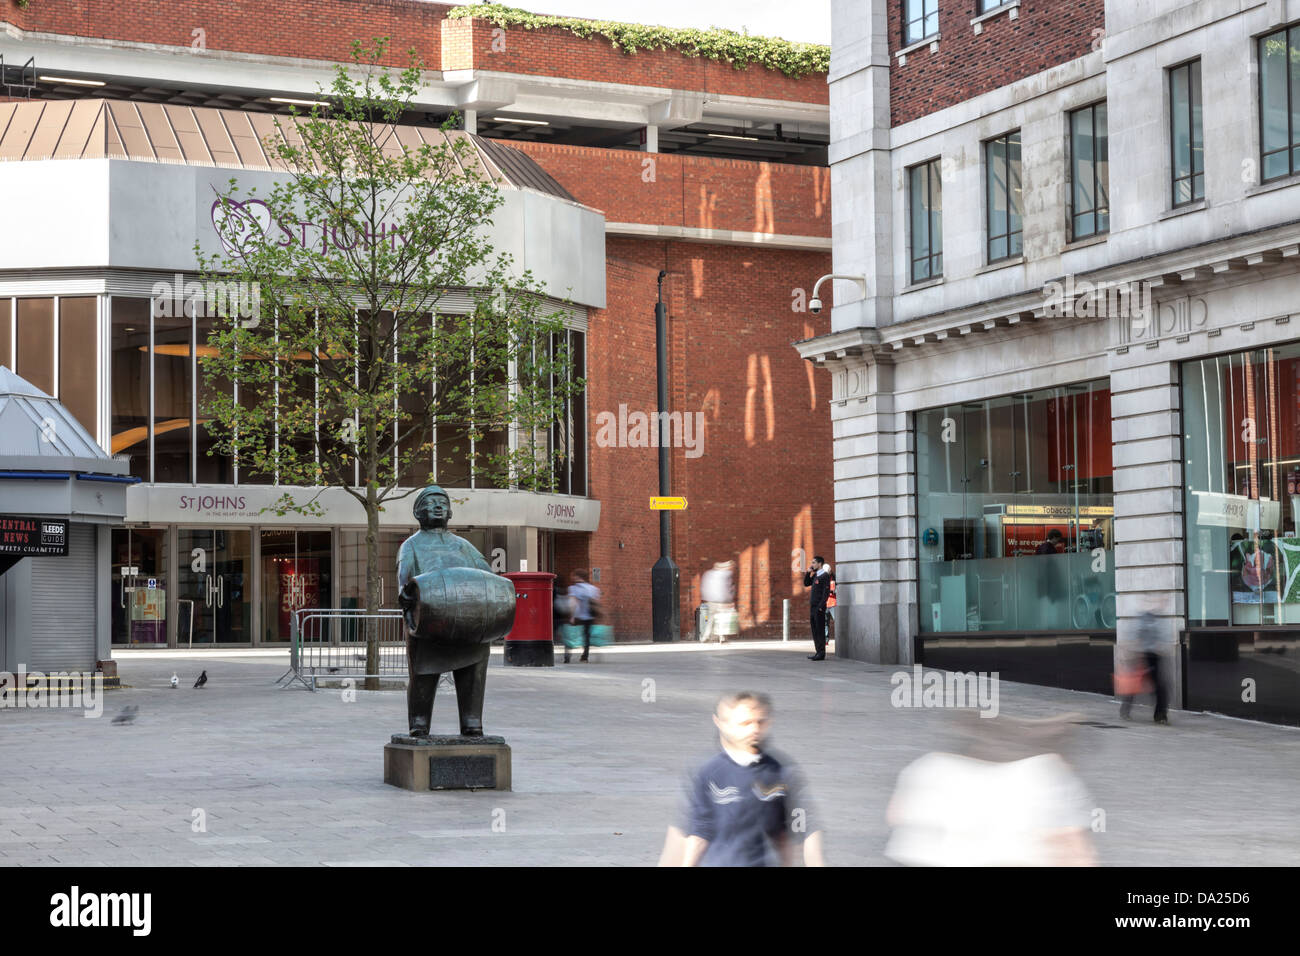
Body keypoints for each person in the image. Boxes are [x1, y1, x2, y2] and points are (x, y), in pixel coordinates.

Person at [658, 691, 825, 867]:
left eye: (760, 722)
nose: (754, 729)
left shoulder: (781, 772)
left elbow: (802, 830)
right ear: (723, 724)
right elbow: (698, 833)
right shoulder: (708, 772)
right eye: (745, 723)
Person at [1119, 609, 1169, 724]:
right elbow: (1134, 639)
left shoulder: (1155, 619)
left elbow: (1159, 639)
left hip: (1153, 657)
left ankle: (1160, 715)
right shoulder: (1141, 620)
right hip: (1142, 657)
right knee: (1135, 685)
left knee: (1159, 688)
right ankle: (1125, 710)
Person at [568, 569, 601, 663]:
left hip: (578, 616)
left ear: (577, 577)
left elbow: (572, 603)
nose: (572, 578)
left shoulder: (573, 588)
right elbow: (597, 603)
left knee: (570, 634)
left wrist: (572, 616)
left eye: (573, 576)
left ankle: (568, 654)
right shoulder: (593, 588)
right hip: (590, 616)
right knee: (586, 635)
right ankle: (585, 656)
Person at [802, 555, 831, 661]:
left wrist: (821, 606)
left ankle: (821, 652)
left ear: (820, 564)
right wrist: (808, 572)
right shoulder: (815, 575)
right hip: (813, 607)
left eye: (814, 563)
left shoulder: (824, 576)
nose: (812, 564)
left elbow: (826, 593)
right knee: (814, 630)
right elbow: (806, 583)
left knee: (820, 630)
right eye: (812, 562)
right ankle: (818, 651)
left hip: (819, 607)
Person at [553, 584, 574, 664]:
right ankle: (567, 655)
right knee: (566, 639)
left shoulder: (555, 595)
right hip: (564, 619)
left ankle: (549, 653)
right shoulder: (566, 597)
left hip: (555, 619)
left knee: (553, 637)